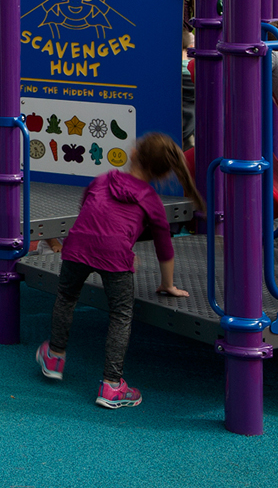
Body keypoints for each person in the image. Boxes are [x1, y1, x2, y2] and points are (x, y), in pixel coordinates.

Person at [35, 132, 200, 410]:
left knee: (66, 297)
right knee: (121, 315)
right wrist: (167, 284)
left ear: (133, 153)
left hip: (77, 246)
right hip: (115, 256)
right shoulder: (151, 200)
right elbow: (164, 248)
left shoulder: (103, 180)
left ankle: (54, 356)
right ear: (162, 173)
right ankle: (112, 385)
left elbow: (88, 210)